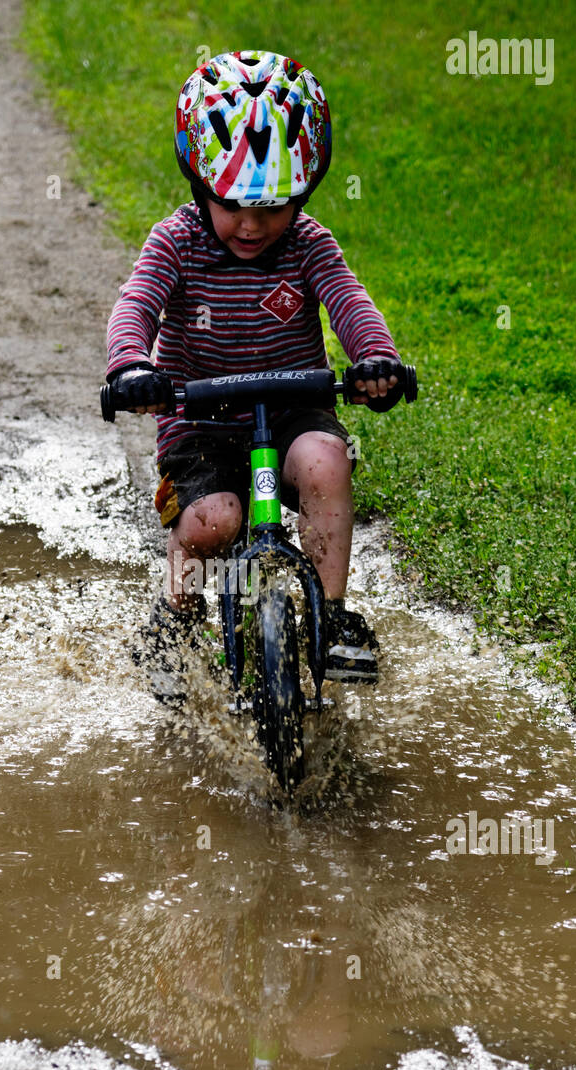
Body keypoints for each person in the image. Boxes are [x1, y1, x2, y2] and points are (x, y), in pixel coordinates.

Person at [105, 49, 404, 702]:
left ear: (302, 193)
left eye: (273, 207)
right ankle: (177, 615)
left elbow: (349, 301)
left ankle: (331, 615)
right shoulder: (174, 243)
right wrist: (132, 366)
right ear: (199, 183)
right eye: (235, 205)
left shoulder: (310, 245)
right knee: (213, 519)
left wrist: (373, 360)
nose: (252, 224)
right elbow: (137, 304)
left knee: (327, 462)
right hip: (201, 420)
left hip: (294, 411)